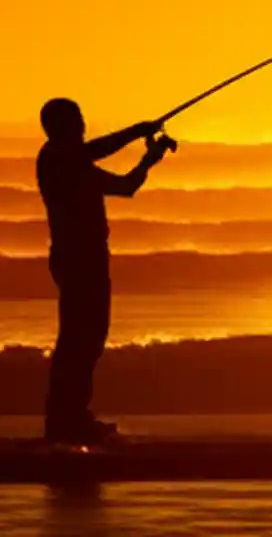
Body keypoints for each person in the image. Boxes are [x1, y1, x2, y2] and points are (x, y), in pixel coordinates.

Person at [35, 98, 175, 445]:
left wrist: (149, 158)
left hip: (89, 258)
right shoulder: (57, 160)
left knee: (88, 339)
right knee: (77, 340)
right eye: (77, 120)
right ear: (61, 127)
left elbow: (126, 187)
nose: (83, 125)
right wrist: (138, 131)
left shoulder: (73, 164)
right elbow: (100, 150)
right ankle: (64, 421)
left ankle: (71, 417)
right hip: (77, 258)